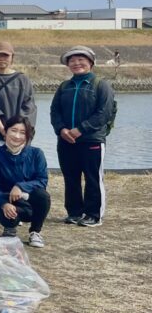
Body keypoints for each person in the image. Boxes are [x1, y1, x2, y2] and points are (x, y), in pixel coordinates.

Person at [51, 45, 115, 227]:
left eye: (81, 60)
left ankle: (93, 215)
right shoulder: (64, 86)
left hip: (91, 140)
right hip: (66, 141)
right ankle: (74, 212)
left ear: (91, 63)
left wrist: (81, 129)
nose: (76, 63)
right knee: (70, 177)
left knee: (92, 177)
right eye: (72, 60)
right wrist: (62, 130)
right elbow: (54, 111)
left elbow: (104, 113)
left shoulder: (101, 85)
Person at [0, 116, 50, 247]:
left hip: (28, 200)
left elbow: (42, 180)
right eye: (13, 130)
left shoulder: (37, 153)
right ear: (6, 132)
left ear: (27, 136)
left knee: (43, 196)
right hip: (7, 201)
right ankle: (9, 229)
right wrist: (4, 204)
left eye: (22, 132)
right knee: (6, 211)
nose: (17, 136)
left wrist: (20, 186)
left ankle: (35, 232)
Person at [0, 41, 37, 156]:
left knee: (20, 173)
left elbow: (29, 109)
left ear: (12, 57)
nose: (2, 59)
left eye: (5, 55)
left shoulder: (23, 80)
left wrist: (17, 133)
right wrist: (4, 131)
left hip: (18, 138)